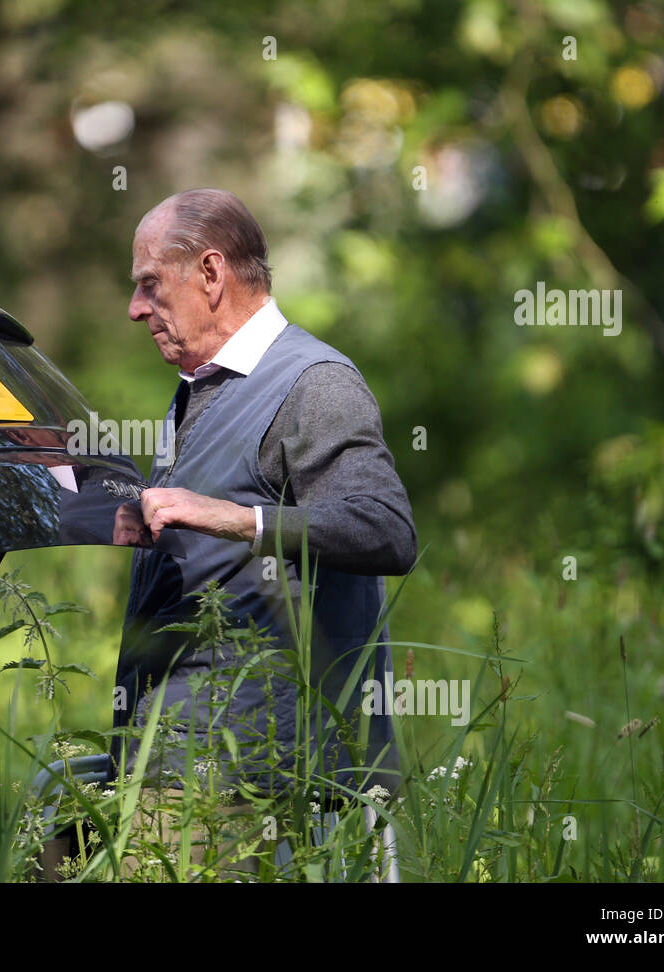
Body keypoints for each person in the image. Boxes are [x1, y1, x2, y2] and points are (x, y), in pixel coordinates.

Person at [110, 188, 417, 871]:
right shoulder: (203, 385)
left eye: (150, 285)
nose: (136, 309)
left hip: (263, 779)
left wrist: (233, 518)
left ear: (212, 274)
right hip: (183, 763)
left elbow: (386, 531)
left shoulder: (316, 383)